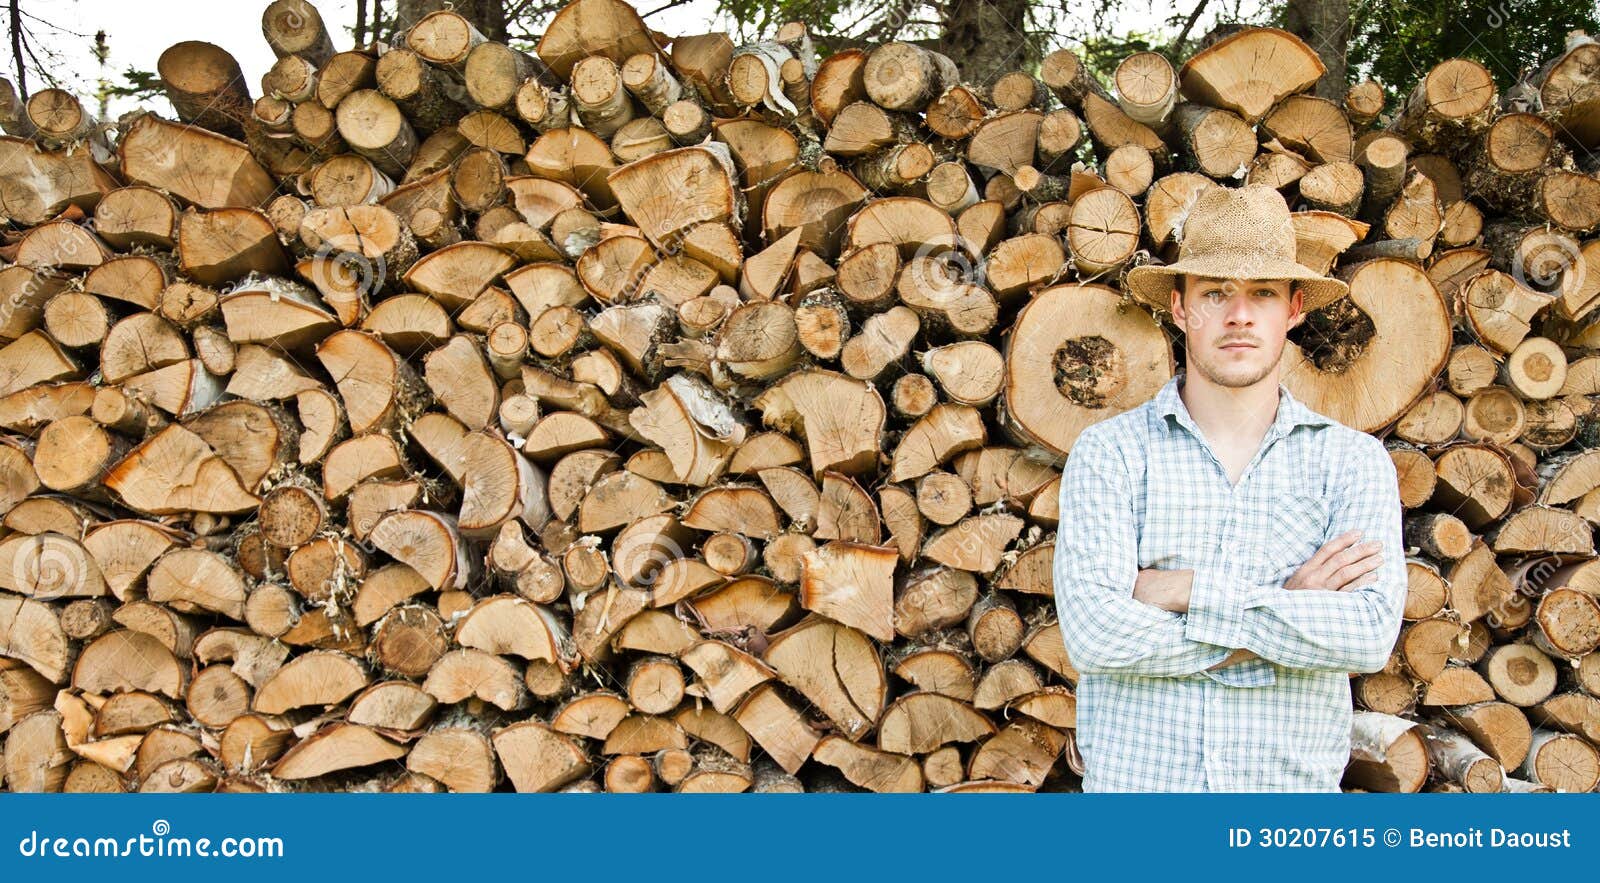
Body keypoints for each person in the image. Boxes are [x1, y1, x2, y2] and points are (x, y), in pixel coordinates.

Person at [1051, 183, 1406, 792]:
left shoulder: (1353, 463)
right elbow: (1095, 636)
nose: (1239, 315)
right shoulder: (1110, 454)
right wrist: (1287, 603)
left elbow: (1367, 636)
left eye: (1262, 294)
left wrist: (1178, 590)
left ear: (1293, 310)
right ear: (1181, 307)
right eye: (1215, 293)